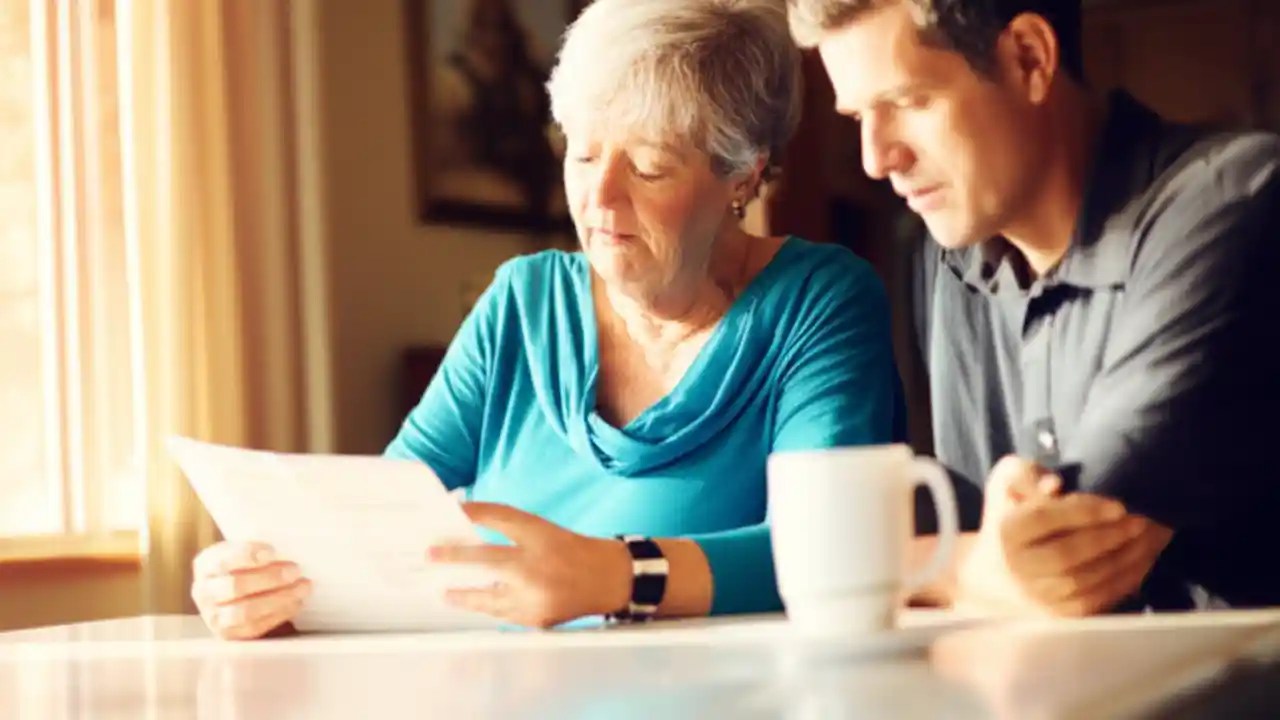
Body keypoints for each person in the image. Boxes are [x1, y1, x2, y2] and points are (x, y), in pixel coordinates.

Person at [190, 0, 904, 640]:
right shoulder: (522, 305)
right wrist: (271, 584)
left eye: (649, 166)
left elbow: (834, 551)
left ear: (742, 175)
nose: (599, 196)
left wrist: (614, 575)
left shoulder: (819, 301)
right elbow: (378, 523)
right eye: (584, 153)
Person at [788, 0, 1280, 616]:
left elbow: (1054, 546)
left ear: (1029, 58)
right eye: (859, 115)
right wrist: (969, 566)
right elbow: (986, 558)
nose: (876, 157)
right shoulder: (946, 256)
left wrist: (927, 564)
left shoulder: (1233, 198)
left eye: (910, 102)